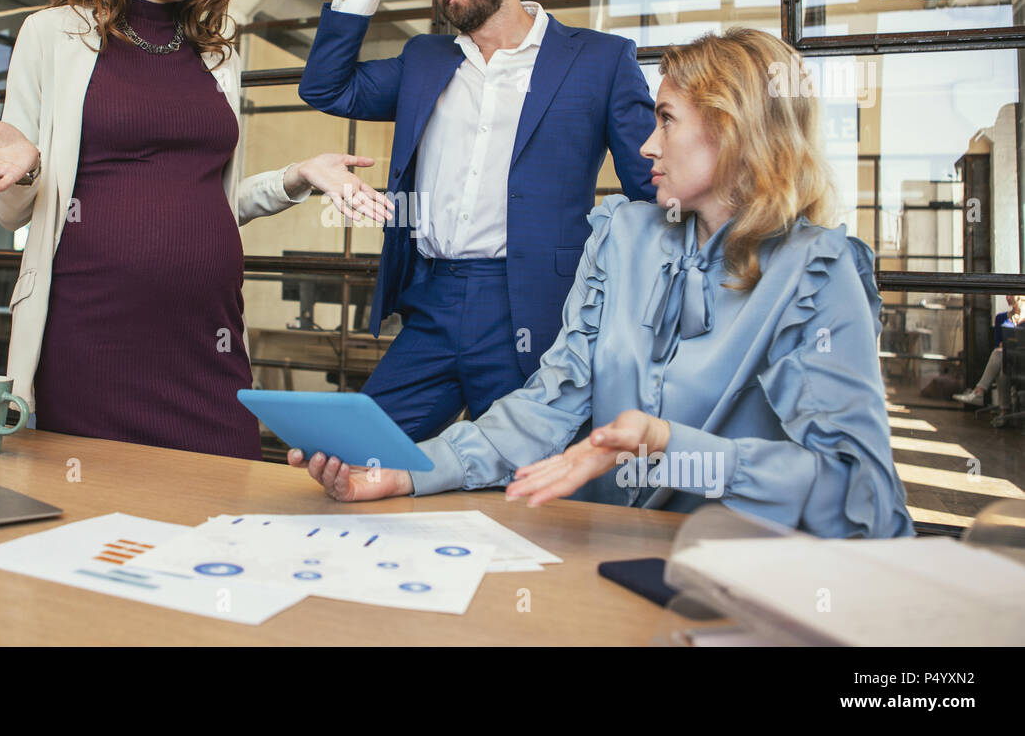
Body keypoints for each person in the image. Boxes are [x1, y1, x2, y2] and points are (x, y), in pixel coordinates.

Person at [289, 28, 915, 539]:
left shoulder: (819, 271)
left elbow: (859, 492)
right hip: (597, 552)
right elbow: (550, 403)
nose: (645, 145)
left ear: (729, 131)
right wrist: (411, 471)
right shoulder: (622, 234)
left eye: (666, 120)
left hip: (738, 586)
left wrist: (669, 446)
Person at [0, 0, 391, 459]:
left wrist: (296, 177)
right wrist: (32, 164)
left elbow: (210, 199)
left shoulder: (217, 52)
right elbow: (11, 211)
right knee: (91, 519)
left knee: (222, 502)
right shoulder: (53, 35)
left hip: (209, 338)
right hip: (93, 333)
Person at [298, 0, 656, 442]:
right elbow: (326, 87)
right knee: (354, 452)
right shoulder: (425, 57)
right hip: (433, 301)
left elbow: (650, 186)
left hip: (537, 304)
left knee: (527, 483)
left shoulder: (600, 60)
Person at [953, 294, 1024, 408]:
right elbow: (997, 343)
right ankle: (1003, 412)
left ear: (1021, 296)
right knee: (1002, 369)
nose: (1007, 297)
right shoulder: (1001, 317)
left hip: (1022, 361)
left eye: (1010, 294)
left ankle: (979, 392)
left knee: (999, 355)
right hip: (1008, 361)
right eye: (1006, 295)